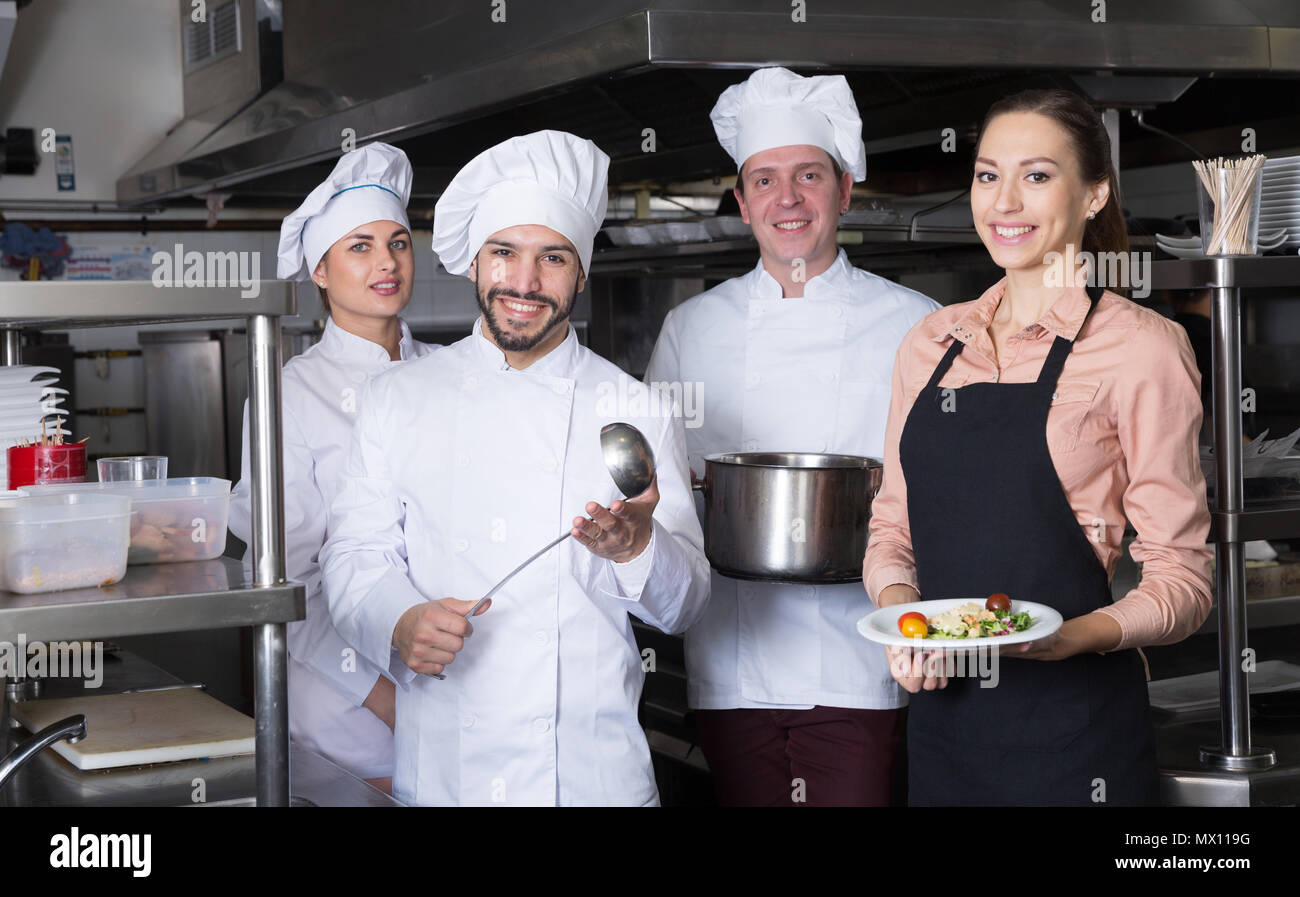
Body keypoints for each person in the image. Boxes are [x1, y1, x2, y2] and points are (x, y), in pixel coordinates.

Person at [318, 130, 711, 806]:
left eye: (552, 258)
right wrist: (400, 618)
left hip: (589, 781)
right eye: (504, 253)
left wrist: (640, 545)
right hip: (447, 775)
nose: (524, 283)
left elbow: (686, 606)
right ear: (475, 261)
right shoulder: (398, 398)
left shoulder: (634, 407)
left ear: (582, 273)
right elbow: (352, 555)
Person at [864, 89, 1213, 806]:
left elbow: (1183, 581)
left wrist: (1070, 638)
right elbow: (892, 530)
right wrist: (907, 619)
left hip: (1076, 736)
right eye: (988, 175)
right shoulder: (929, 344)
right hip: (945, 735)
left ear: (1093, 195)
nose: (1005, 201)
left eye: (1038, 175)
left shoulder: (1142, 348)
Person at [644, 67, 939, 806]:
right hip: (733, 661)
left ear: (843, 190)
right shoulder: (691, 329)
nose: (788, 199)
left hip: (864, 658)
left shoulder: (917, 324)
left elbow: (948, 487)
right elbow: (660, 489)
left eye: (809, 174)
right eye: (765, 179)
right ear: (742, 204)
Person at [228, 142, 437, 794]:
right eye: (360, 246)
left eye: (398, 242)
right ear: (319, 271)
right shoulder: (291, 392)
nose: (386, 261)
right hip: (350, 712)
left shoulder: (453, 374)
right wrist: (386, 697)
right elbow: (288, 581)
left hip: (460, 683)